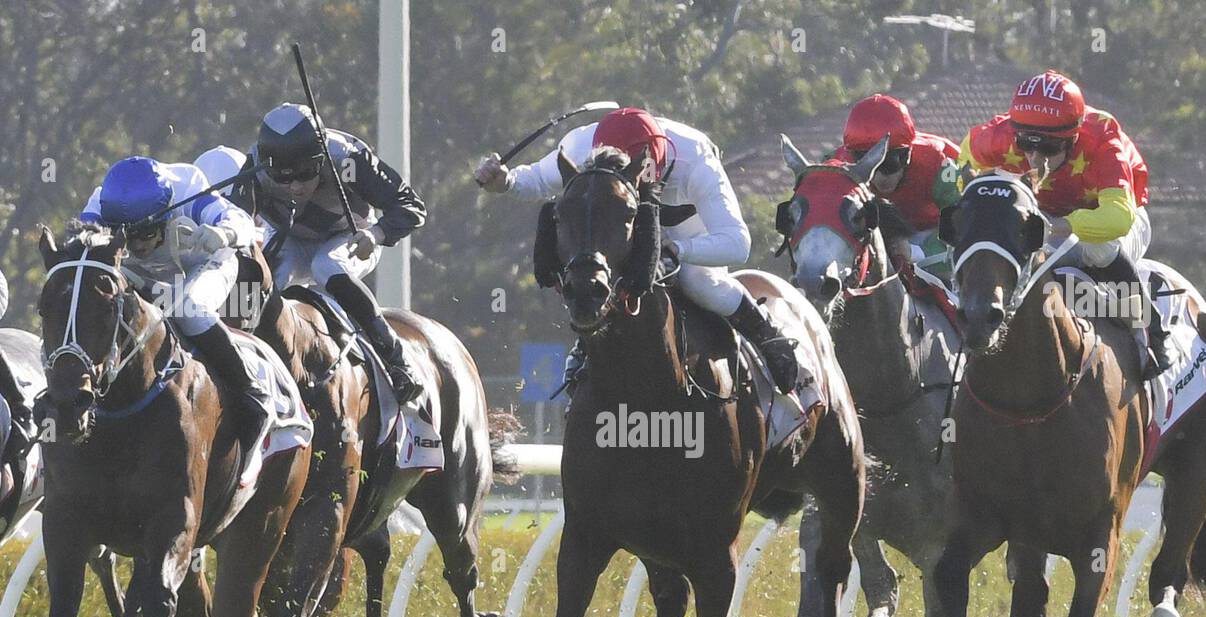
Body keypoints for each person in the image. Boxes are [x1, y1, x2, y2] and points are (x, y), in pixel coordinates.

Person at [475, 107, 811, 398]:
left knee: (697, 281)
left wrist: (678, 250)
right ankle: (586, 344)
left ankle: (767, 338)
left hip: (685, 225)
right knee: (597, 272)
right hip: (618, 223)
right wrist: (503, 181)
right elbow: (535, 177)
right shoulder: (581, 146)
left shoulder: (695, 160)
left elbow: (738, 243)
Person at [959, 70, 1171, 376]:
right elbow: (963, 161)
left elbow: (1118, 219)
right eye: (1025, 145)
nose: (1034, 159)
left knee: (1099, 247)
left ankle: (1150, 333)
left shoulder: (1103, 139)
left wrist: (1057, 225)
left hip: (1114, 218)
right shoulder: (998, 135)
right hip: (1044, 216)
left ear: (1073, 138)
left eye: (1048, 148)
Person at [81, 155, 270, 470]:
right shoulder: (100, 204)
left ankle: (250, 393)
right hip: (143, 274)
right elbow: (79, 247)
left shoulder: (187, 187)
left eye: (147, 231)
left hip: (204, 260)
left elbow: (240, 222)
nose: (138, 243)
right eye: (128, 235)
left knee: (187, 307)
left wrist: (223, 234)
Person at [233, 103, 426, 403]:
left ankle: (397, 361)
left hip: (351, 237)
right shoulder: (254, 167)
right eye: (283, 178)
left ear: (321, 158)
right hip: (292, 240)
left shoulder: (348, 156)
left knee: (326, 265)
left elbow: (411, 205)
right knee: (267, 279)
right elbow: (236, 222)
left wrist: (376, 235)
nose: (295, 187)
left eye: (305, 174)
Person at [834, 94, 960, 266]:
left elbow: (968, 229)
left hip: (933, 233)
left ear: (908, 153)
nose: (879, 177)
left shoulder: (940, 164)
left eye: (889, 162)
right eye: (868, 164)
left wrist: (916, 252)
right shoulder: (838, 166)